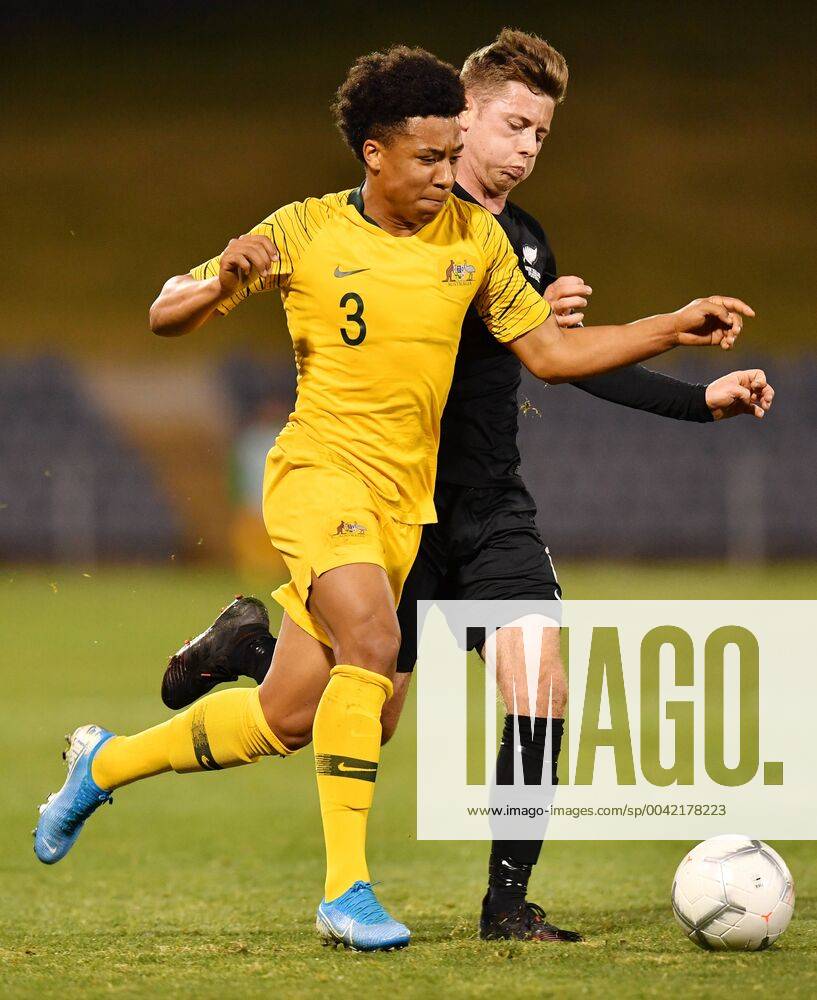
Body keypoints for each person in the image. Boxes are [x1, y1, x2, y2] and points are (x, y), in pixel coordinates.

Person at [35, 44, 754, 953]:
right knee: (374, 643)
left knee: (291, 716)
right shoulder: (300, 229)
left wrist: (670, 328)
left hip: (410, 505)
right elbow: (164, 313)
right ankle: (347, 892)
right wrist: (223, 275)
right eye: (430, 158)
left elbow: (553, 357)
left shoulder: (478, 239)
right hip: (317, 477)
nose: (446, 176)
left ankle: (104, 763)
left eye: (454, 156)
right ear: (373, 153)